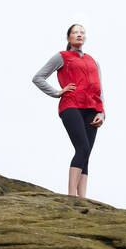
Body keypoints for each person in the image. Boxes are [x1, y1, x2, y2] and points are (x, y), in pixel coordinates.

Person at [32, 24, 106, 198]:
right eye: (75, 32)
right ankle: (71, 196)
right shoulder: (62, 57)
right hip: (71, 105)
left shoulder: (94, 61)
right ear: (68, 38)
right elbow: (38, 78)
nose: (79, 35)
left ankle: (83, 198)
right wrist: (57, 92)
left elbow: (100, 89)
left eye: (82, 32)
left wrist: (101, 113)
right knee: (82, 147)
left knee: (86, 153)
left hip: (92, 109)